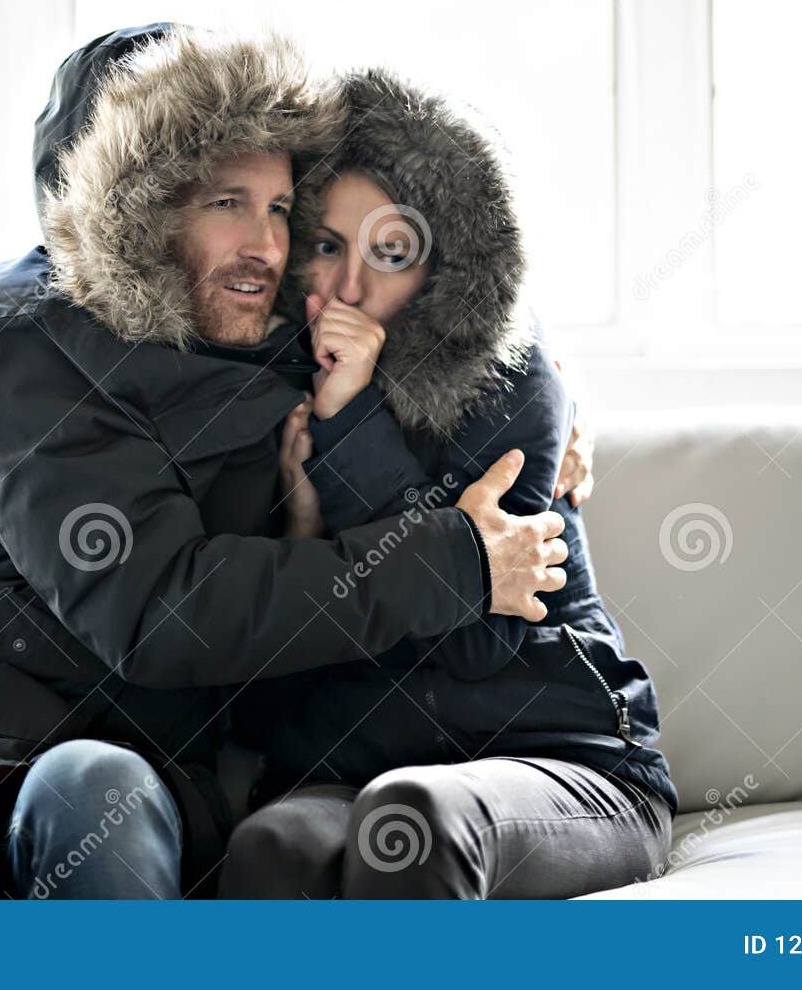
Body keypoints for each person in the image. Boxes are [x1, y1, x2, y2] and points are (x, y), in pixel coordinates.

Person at [0, 24, 568, 899]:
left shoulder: (273, 323)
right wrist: (451, 560)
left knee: (97, 792)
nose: (265, 243)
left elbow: (456, 316)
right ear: (123, 206)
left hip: (129, 765)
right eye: (224, 201)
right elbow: (156, 609)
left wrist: (555, 396)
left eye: (281, 208)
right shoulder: (18, 336)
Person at [219, 68, 678, 899]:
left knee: (415, 816)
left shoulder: (513, 381)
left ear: (442, 268)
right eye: (327, 244)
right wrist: (303, 521)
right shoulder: (265, 368)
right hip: (357, 758)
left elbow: (472, 642)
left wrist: (351, 423)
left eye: (388, 254)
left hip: (557, 757)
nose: (349, 288)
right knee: (272, 844)